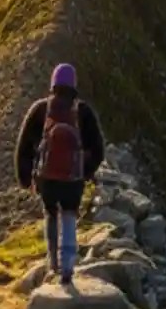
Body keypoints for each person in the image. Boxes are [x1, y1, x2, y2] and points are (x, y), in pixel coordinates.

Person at [15, 63, 105, 285]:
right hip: (73, 180)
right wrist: (86, 171)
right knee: (68, 216)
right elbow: (99, 149)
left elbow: (24, 146)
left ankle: (52, 263)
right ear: (74, 85)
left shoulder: (40, 109)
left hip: (47, 178)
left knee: (50, 214)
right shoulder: (83, 111)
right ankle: (67, 268)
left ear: (53, 84)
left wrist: (25, 178)